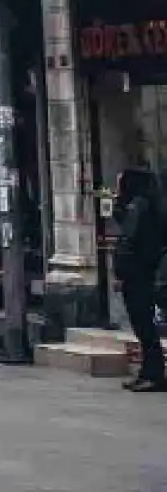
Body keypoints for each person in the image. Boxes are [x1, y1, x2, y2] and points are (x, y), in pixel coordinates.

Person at [114, 165, 165, 392]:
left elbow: (131, 242)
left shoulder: (140, 206)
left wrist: (125, 272)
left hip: (139, 275)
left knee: (144, 327)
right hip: (138, 274)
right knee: (143, 328)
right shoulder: (138, 204)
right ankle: (148, 372)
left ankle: (153, 374)